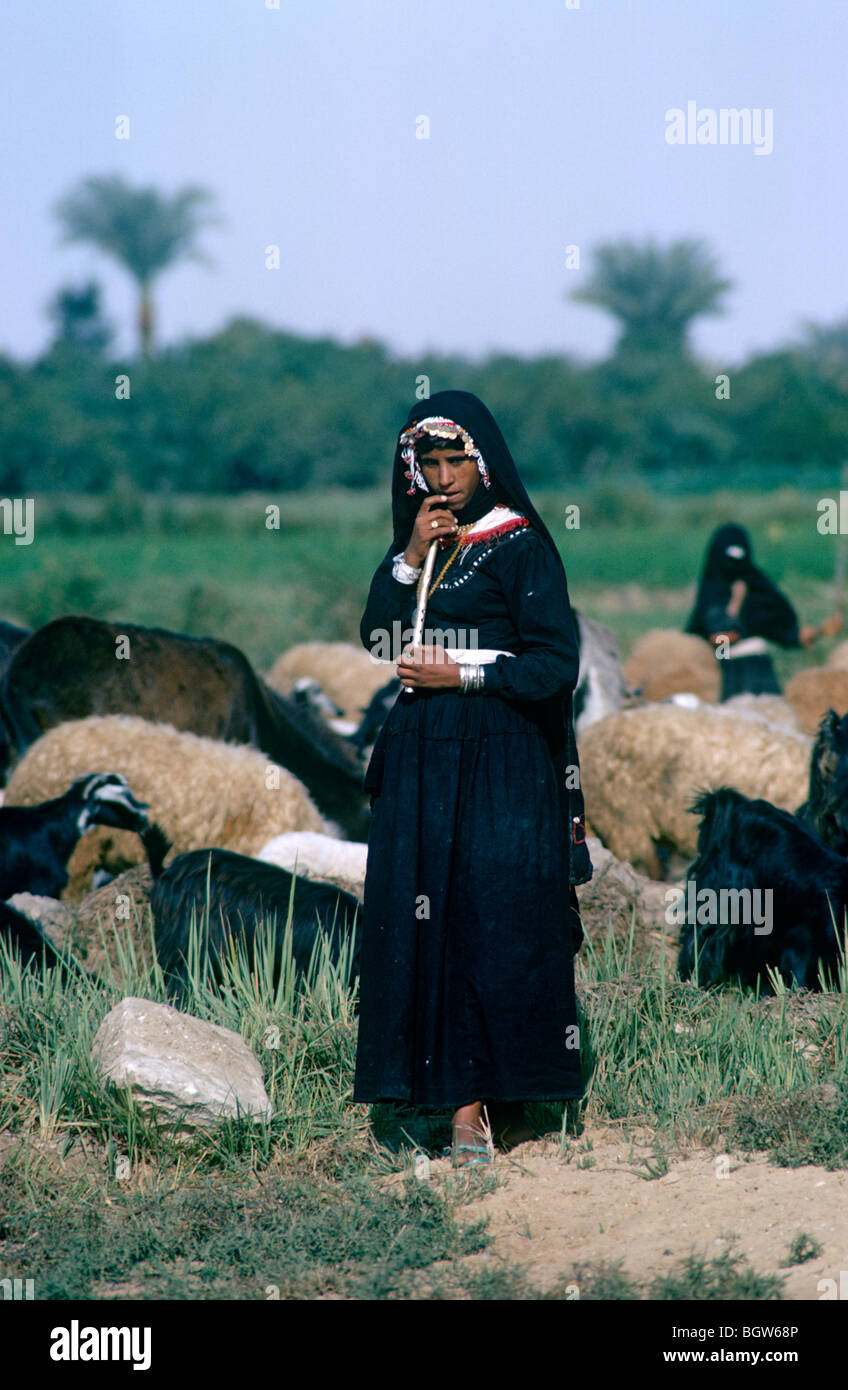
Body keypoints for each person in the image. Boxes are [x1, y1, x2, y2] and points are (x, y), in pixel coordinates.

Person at [353, 390, 591, 1166]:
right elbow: (376, 635)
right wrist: (411, 553)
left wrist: (463, 672)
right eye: (431, 462)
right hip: (427, 761)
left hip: (500, 762)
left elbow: (558, 664)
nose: (445, 477)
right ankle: (455, 1105)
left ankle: (502, 1101)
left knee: (497, 923)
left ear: (485, 462)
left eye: (458, 460)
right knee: (433, 924)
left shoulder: (520, 545)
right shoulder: (431, 544)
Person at [686, 523, 842, 700]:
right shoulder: (714, 592)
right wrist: (736, 604)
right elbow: (718, 638)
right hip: (729, 674)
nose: (733, 566)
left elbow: (789, 634)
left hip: (761, 674)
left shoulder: (757, 588)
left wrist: (822, 631)